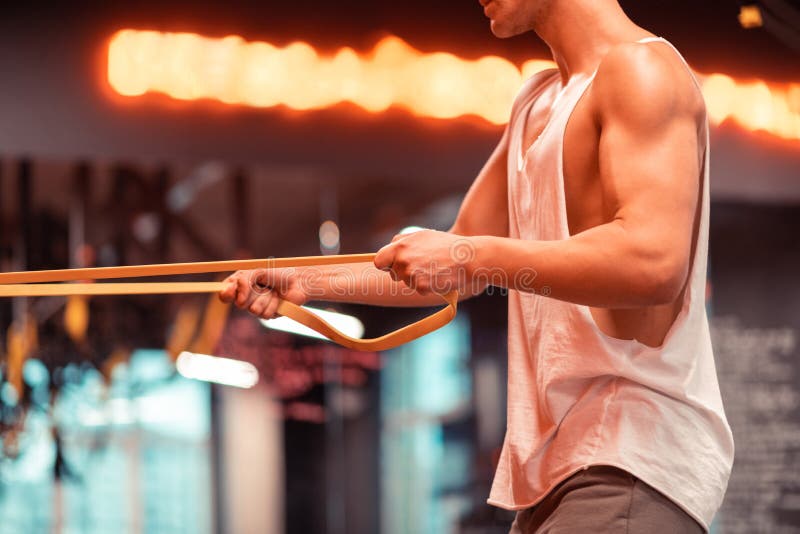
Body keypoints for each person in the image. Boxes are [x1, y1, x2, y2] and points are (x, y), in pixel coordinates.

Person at [219, 0, 734, 531]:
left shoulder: (641, 68)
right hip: (563, 470)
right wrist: (303, 281)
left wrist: (469, 255)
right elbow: (453, 262)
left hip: (630, 453)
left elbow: (653, 263)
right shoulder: (537, 100)